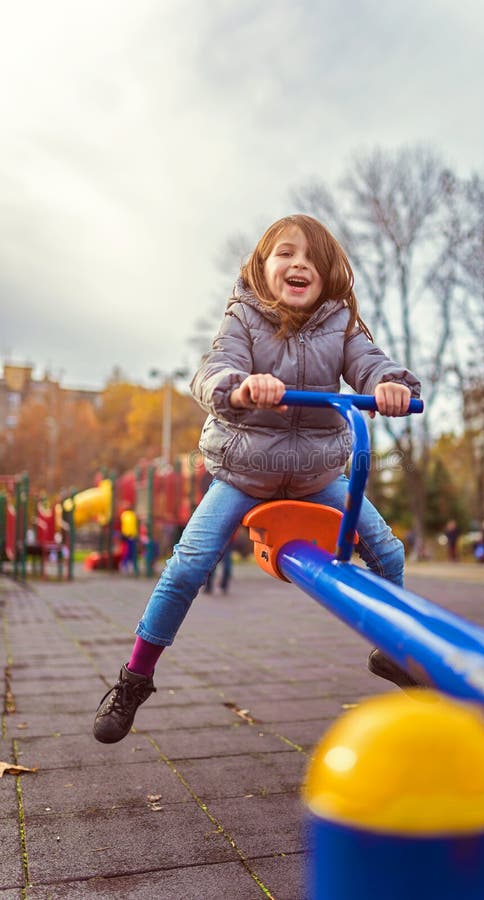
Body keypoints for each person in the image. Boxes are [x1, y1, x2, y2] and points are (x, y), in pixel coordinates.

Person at [93, 213, 421, 744]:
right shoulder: (243, 318)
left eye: (312, 259)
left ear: (329, 274)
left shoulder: (340, 324)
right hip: (246, 470)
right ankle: (136, 677)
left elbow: (369, 362)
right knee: (188, 564)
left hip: (316, 471)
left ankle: (394, 648)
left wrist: (389, 385)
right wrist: (241, 387)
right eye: (286, 254)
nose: (299, 264)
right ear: (262, 266)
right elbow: (214, 369)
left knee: (387, 551)